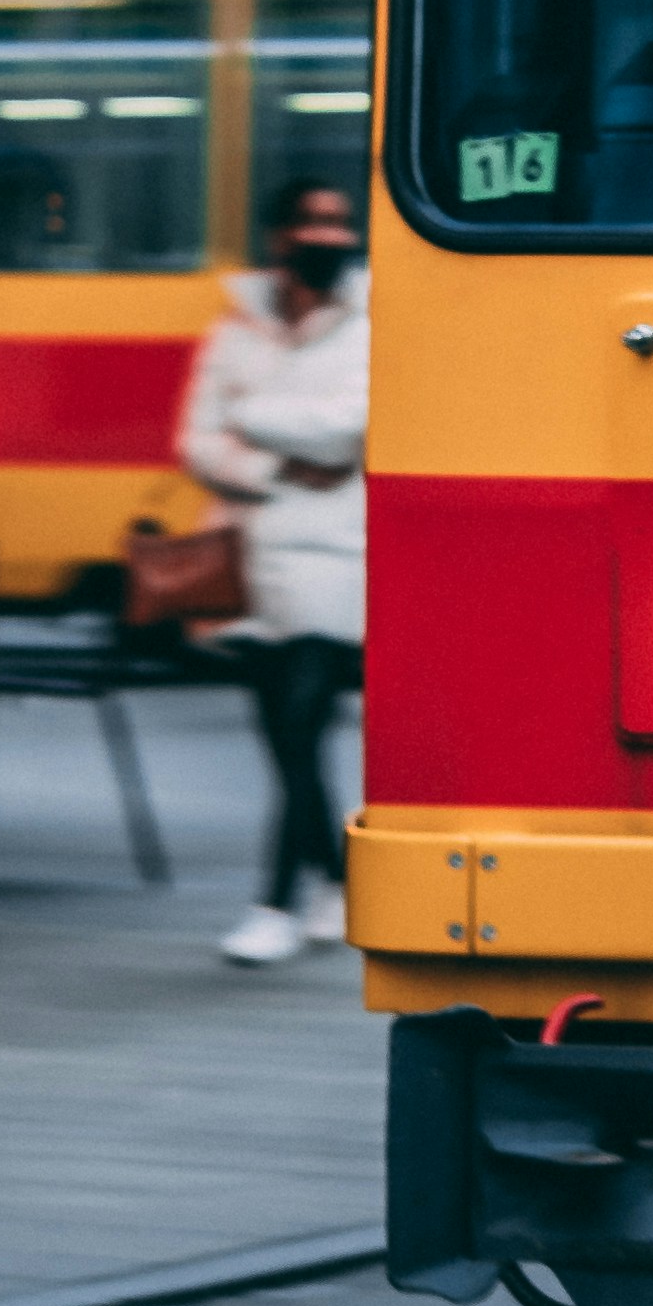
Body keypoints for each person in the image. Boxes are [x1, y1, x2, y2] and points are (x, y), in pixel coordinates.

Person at [175, 182, 366, 968]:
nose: (330, 234)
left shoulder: (371, 325)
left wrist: (247, 417)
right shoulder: (236, 329)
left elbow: (349, 429)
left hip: (332, 554)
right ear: (280, 234)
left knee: (296, 721)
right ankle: (336, 876)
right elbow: (194, 440)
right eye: (314, 221)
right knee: (284, 735)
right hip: (251, 552)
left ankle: (275, 902)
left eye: (339, 222)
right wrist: (278, 466)